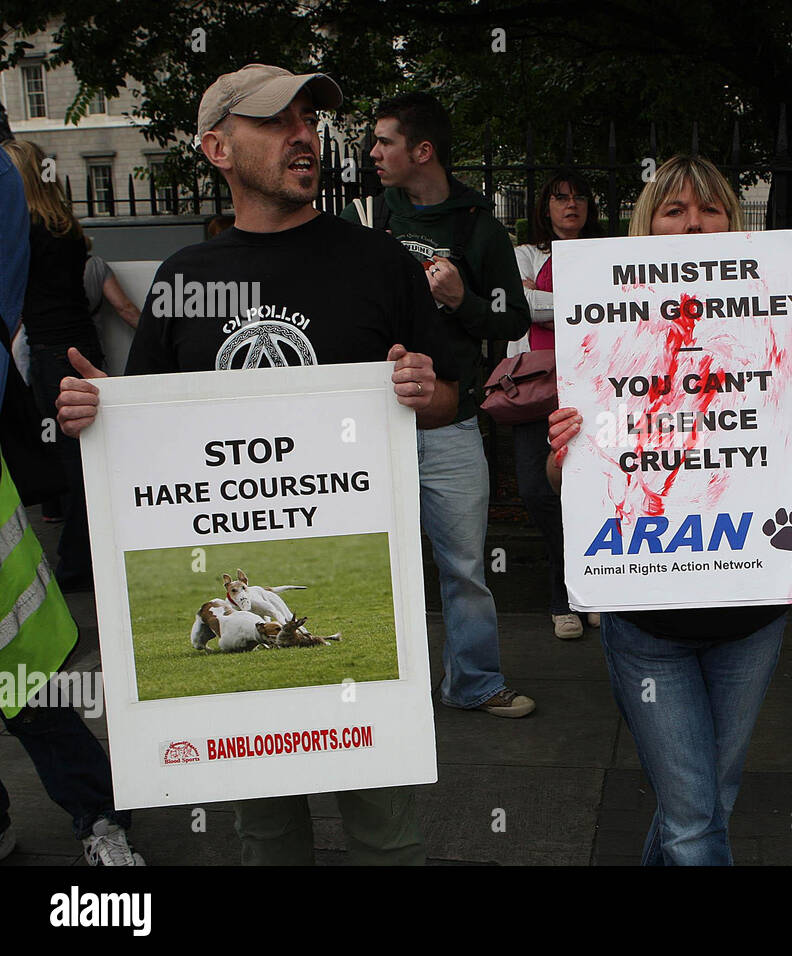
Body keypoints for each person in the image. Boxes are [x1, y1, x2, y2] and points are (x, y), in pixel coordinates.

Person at [56, 62, 459, 865]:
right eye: (276, 121)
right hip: (240, 564)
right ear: (217, 148)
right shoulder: (184, 281)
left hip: (370, 572)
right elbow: (147, 434)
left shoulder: (377, 262)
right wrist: (98, 417)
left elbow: (454, 392)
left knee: (389, 832)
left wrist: (426, 389)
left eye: (308, 119)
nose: (303, 135)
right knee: (266, 833)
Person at [546, 155, 792, 865]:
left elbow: (779, 449)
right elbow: (583, 487)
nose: (694, 223)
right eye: (674, 210)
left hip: (751, 613)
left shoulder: (772, 321)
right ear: (648, 224)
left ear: (733, 223)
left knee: (707, 803)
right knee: (693, 821)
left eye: (709, 209)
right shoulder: (604, 333)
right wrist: (568, 462)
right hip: (647, 619)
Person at [341, 93, 535, 717]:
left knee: (464, 566)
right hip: (370, 422)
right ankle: (369, 691)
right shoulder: (372, 215)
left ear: (422, 151)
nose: (372, 153)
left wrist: (460, 299)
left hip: (449, 424)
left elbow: (514, 318)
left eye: (384, 142)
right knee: (368, 563)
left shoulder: (478, 226)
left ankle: (473, 683)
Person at [0, 143, 143, 866]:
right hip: (75, 356)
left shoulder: (15, 226)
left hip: (48, 362)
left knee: (21, 675)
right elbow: (120, 305)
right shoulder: (70, 238)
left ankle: (96, 816)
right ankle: (98, 816)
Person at [2, 139, 100, 591]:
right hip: (82, 345)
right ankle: (84, 554)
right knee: (85, 458)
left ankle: (77, 562)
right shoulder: (68, 229)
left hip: (47, 352)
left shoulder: (24, 233)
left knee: (70, 463)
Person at [511, 168, 602, 639]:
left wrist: (542, 295)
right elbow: (522, 306)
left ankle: (577, 596)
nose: (571, 205)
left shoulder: (603, 254)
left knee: (591, 488)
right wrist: (583, 297)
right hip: (535, 387)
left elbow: (612, 303)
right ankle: (567, 587)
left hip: (592, 386)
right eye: (560, 197)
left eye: (579, 197)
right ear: (545, 206)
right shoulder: (525, 253)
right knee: (538, 489)